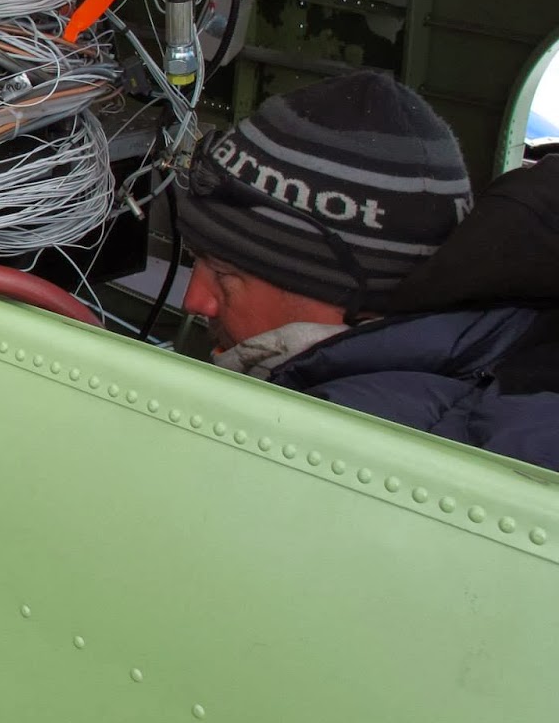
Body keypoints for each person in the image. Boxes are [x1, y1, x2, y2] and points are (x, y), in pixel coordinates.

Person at [176, 69, 559, 471]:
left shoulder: (358, 444)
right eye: (195, 261)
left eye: (224, 276)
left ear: (352, 297)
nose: (193, 300)